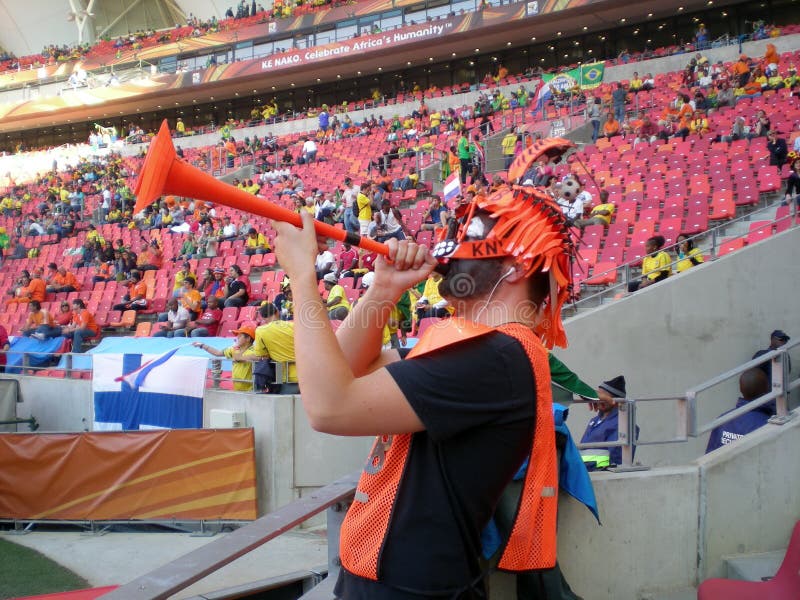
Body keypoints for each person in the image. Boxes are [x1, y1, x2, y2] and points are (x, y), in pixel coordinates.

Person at [270, 170, 576, 596]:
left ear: (516, 266)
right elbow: (345, 369)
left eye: (473, 232)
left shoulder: (498, 357)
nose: (454, 243)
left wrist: (303, 279)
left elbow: (329, 406)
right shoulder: (473, 346)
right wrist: (383, 290)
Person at [706, 369, 773, 452]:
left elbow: (709, 455)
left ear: (740, 389)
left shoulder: (722, 420)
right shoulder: (768, 424)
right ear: (767, 389)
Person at [579, 376, 637, 469]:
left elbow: (616, 461)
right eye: (598, 395)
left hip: (595, 471)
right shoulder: (594, 421)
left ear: (615, 400)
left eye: (603, 396)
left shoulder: (622, 424)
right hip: (582, 470)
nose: (598, 399)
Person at [251, 303, 298, 393]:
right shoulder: (293, 326)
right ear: (277, 312)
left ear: (263, 318)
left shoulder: (260, 331)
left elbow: (261, 355)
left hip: (283, 376)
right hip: (305, 374)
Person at [194, 325, 256, 391]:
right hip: (237, 388)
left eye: (240, 336)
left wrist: (236, 346)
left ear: (248, 338)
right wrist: (202, 345)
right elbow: (217, 353)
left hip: (251, 390)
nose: (237, 337)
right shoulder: (235, 349)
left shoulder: (254, 350)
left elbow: (237, 357)